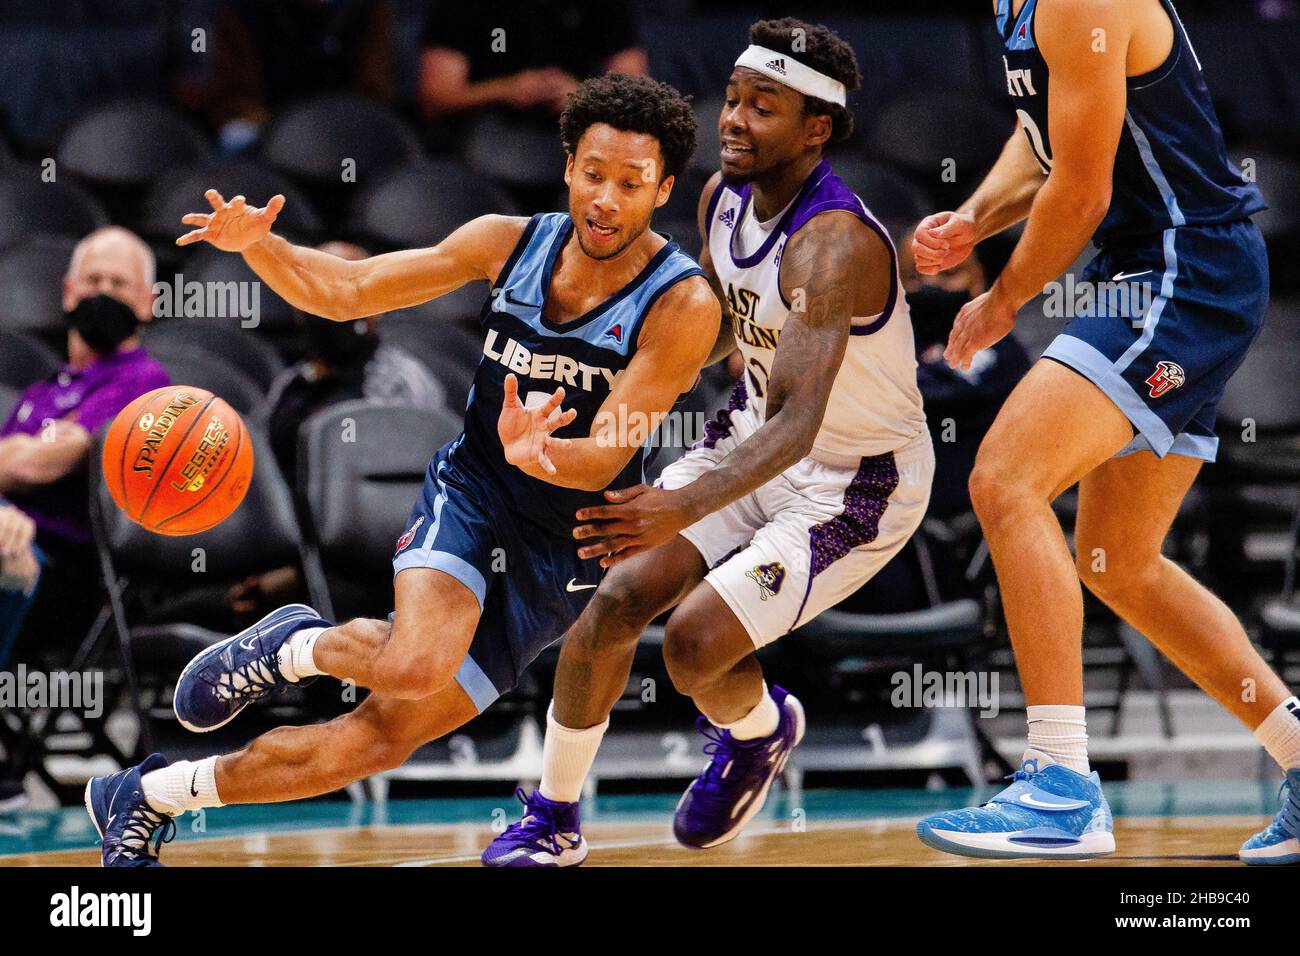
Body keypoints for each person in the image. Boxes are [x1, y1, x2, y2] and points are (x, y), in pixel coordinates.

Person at [83, 74, 721, 867]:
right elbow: (352, 290)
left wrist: (547, 451)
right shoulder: (507, 242)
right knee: (415, 663)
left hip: (567, 548)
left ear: (662, 187)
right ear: (567, 167)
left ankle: (145, 796)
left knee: (376, 741)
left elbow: (617, 445)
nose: (606, 200)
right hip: (477, 493)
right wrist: (263, 248)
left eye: (631, 184)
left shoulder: (683, 304)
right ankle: (296, 649)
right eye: (594, 174)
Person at [484, 17, 935, 866]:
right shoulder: (722, 198)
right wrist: (608, 402)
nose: (732, 119)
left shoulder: (830, 245)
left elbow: (802, 424)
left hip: (854, 480)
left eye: (761, 107)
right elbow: (719, 341)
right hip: (748, 435)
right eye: (731, 99)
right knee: (616, 600)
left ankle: (760, 732)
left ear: (817, 129)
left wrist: (680, 504)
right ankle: (553, 816)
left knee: (693, 646)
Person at [910, 0, 1298, 864]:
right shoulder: (1019, 7)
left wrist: (1002, 298)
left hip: (1183, 266)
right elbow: (1042, 139)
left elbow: (1081, 192)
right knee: (1117, 560)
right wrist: (978, 217)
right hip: (1149, 269)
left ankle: (1059, 786)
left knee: (1004, 480)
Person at [0, 227, 170, 651]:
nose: (103, 294)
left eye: (118, 285)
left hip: (68, 570)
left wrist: (27, 455)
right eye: (93, 282)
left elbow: (35, 465)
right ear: (69, 292)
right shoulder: (44, 389)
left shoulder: (144, 381)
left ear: (148, 302)